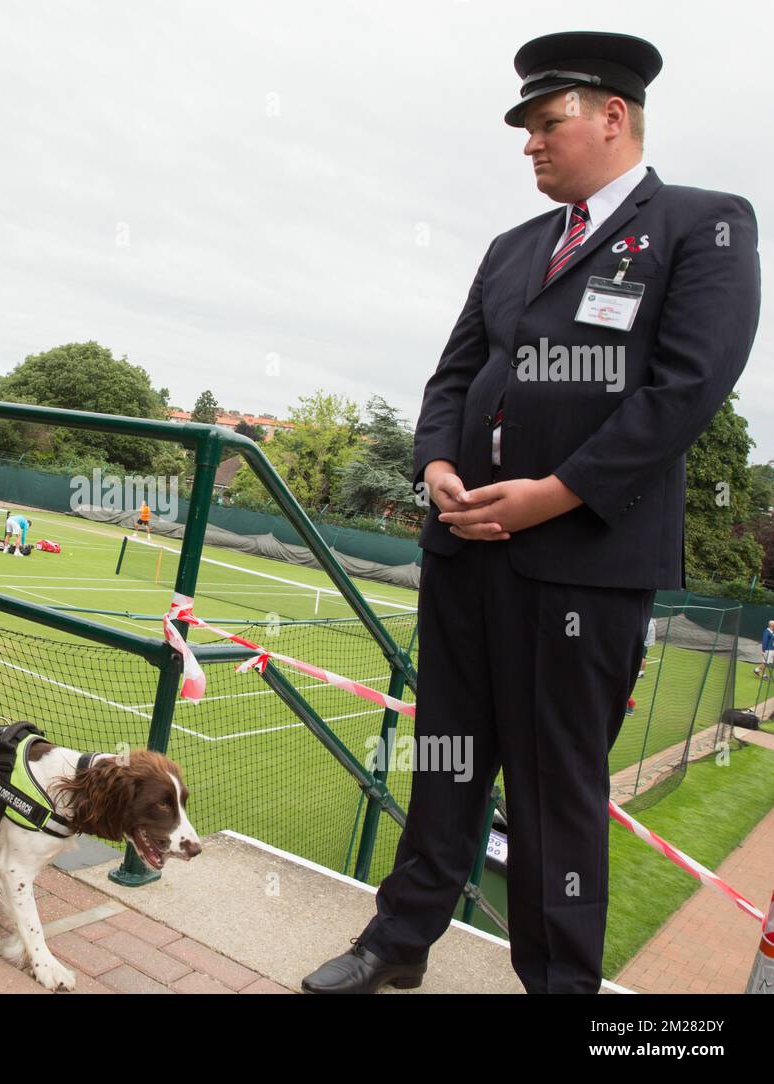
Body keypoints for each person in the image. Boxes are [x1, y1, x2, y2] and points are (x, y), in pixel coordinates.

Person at [302, 32, 759, 995]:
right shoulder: (512, 249)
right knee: (447, 756)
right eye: (527, 127)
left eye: (547, 123)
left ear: (613, 116)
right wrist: (434, 464)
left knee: (556, 789)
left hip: (582, 563)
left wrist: (556, 493)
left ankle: (560, 987)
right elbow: (455, 373)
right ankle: (399, 942)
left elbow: (685, 390)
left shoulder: (702, 224)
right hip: (466, 549)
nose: (530, 145)